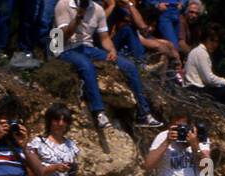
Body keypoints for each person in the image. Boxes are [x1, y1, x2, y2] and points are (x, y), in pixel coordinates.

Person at [54, 0, 162, 131]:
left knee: (129, 66)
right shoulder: (64, 4)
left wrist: (112, 50)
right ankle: (99, 112)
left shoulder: (98, 9)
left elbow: (104, 38)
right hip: (63, 47)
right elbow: (62, 36)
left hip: (88, 47)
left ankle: (144, 113)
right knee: (86, 65)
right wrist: (78, 17)